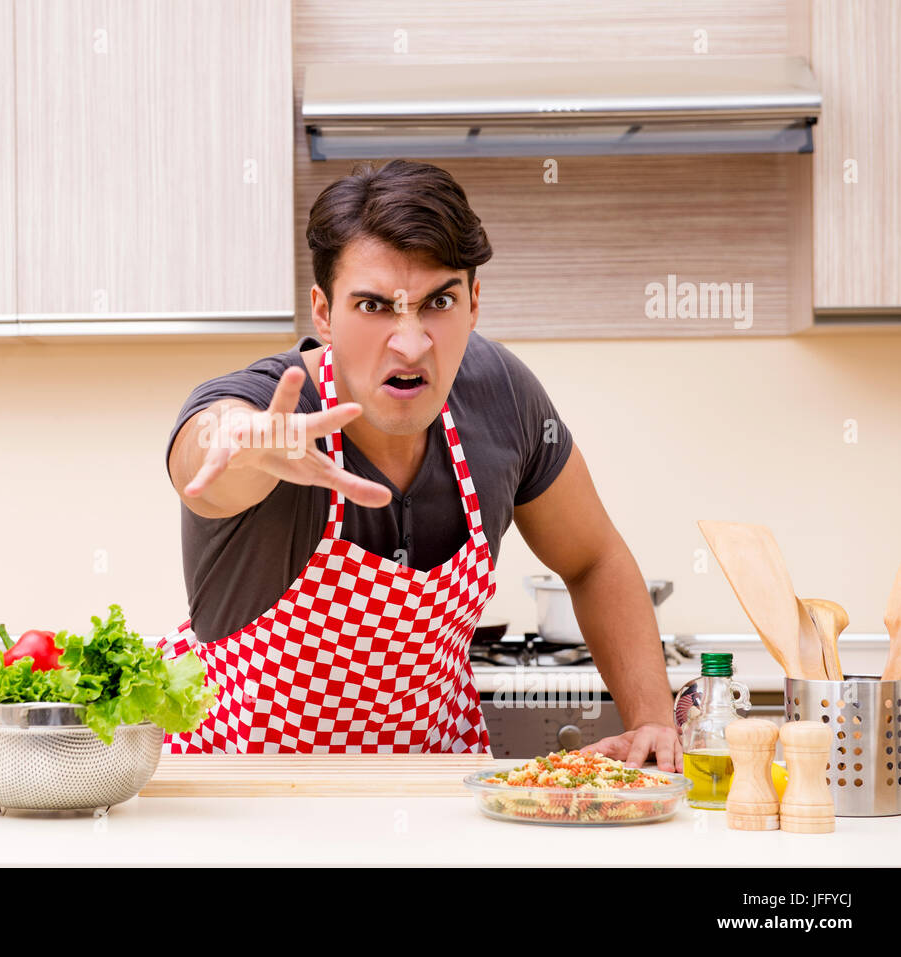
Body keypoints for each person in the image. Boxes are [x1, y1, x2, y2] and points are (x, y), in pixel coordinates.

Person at [163, 159, 680, 771]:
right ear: (324, 313)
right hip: (248, 799)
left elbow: (593, 558)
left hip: (437, 796)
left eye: (437, 301)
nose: (410, 343)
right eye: (374, 306)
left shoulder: (502, 396)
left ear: (475, 301)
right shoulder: (274, 406)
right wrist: (242, 443)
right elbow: (205, 462)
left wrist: (652, 718)